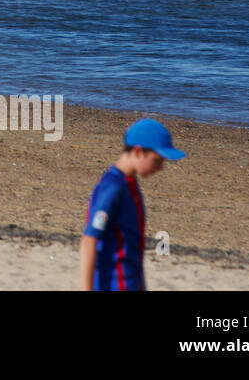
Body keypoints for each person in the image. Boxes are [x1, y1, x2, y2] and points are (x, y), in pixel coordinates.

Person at [80, 118, 186, 291]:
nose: (161, 168)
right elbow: (89, 240)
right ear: (138, 152)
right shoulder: (112, 187)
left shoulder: (129, 183)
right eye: (157, 161)